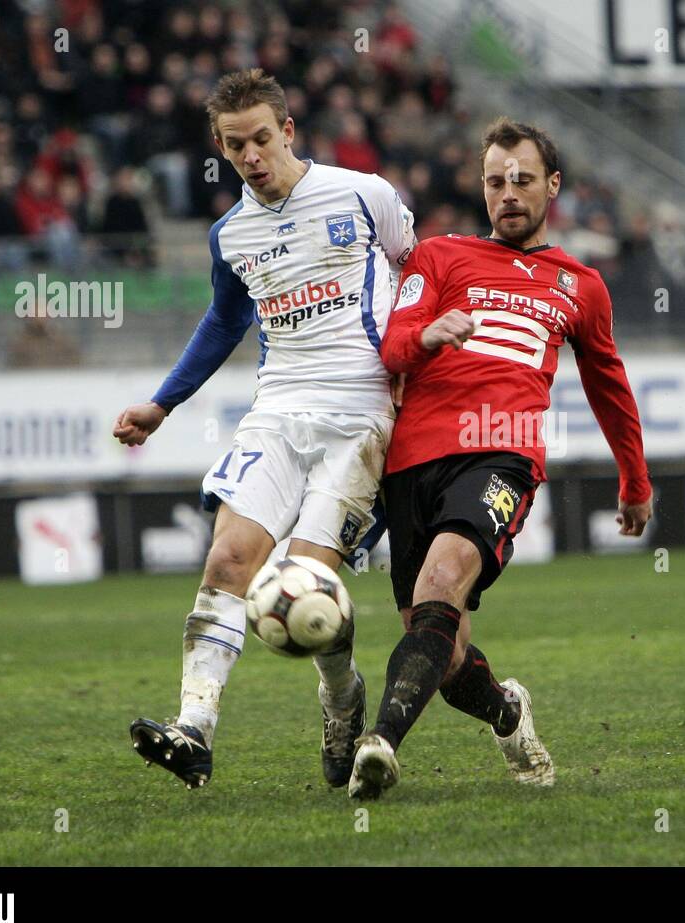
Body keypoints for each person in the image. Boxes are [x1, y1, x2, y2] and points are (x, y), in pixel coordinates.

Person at [115, 69, 415, 790]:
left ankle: (342, 699)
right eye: (233, 145)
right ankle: (195, 730)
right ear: (219, 148)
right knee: (227, 564)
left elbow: (420, 273)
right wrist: (163, 404)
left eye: (259, 138)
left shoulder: (364, 195)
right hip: (277, 415)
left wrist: (415, 370)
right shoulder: (231, 235)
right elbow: (225, 319)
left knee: (305, 583)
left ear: (287, 130)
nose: (250, 156)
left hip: (361, 420)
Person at [346, 117, 653, 800]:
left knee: (442, 581)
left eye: (521, 179)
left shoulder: (581, 286)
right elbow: (393, 350)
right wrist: (429, 333)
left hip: (502, 453)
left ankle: (381, 743)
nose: (507, 193)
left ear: (552, 185)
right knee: (444, 651)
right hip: (411, 462)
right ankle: (506, 712)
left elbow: (610, 385)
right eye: (494, 181)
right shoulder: (440, 256)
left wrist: (635, 481)